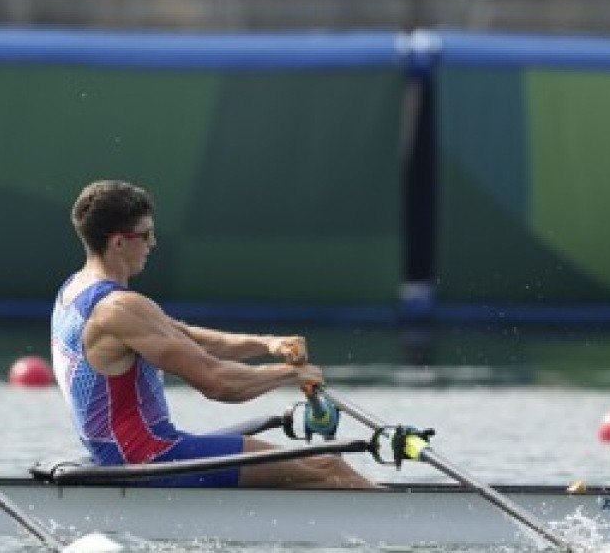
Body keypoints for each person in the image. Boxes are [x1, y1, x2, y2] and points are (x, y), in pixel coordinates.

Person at [50, 179, 374, 488]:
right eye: (145, 235)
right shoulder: (119, 308)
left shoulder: (74, 290)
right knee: (327, 467)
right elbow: (218, 384)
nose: (153, 243)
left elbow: (189, 338)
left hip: (118, 454)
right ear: (118, 242)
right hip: (148, 456)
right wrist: (293, 374)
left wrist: (267, 344)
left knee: (306, 471)